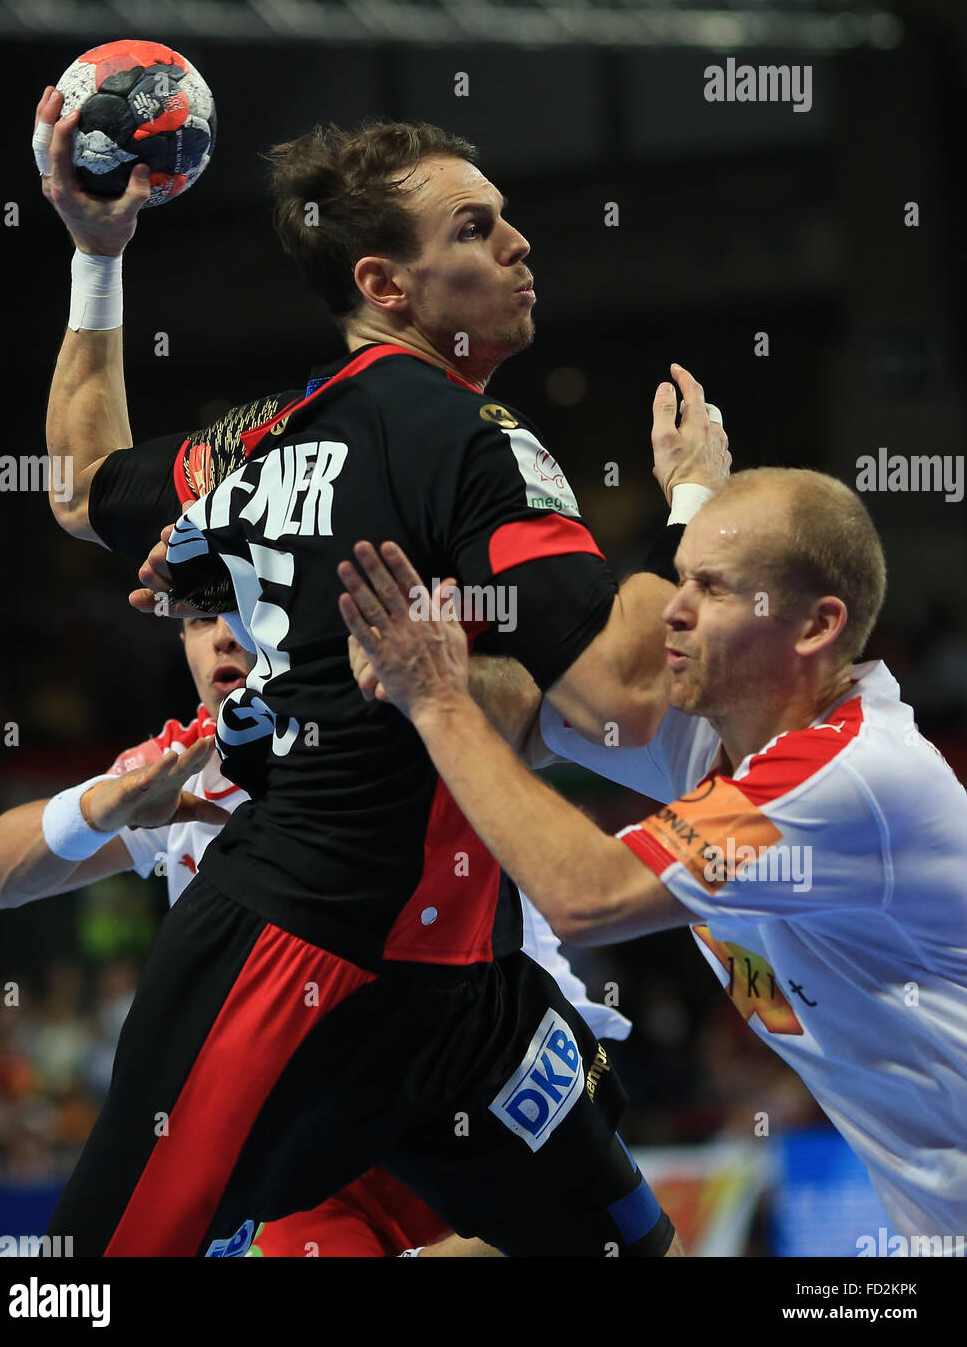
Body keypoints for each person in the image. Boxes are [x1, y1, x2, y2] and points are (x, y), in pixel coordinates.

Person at [33, 87, 731, 1255]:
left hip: (463, 988)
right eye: (472, 226)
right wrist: (698, 504)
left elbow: (79, 481)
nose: (516, 242)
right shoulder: (478, 440)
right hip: (292, 949)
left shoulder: (258, 437)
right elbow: (624, 697)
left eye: (505, 217)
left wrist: (98, 258)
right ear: (383, 286)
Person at [336, 467, 967, 1242]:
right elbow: (532, 722)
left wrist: (434, 699)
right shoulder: (720, 735)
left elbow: (587, 895)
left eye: (712, 588)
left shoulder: (852, 775)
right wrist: (422, 675)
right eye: (679, 580)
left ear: (814, 627)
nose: (675, 608)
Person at [0, 617, 631, 1255]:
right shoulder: (183, 767)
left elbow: (579, 700)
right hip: (300, 1139)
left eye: (237, 607)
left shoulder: (411, 733)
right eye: (198, 619)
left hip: (474, 1085)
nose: (222, 633)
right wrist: (94, 810)